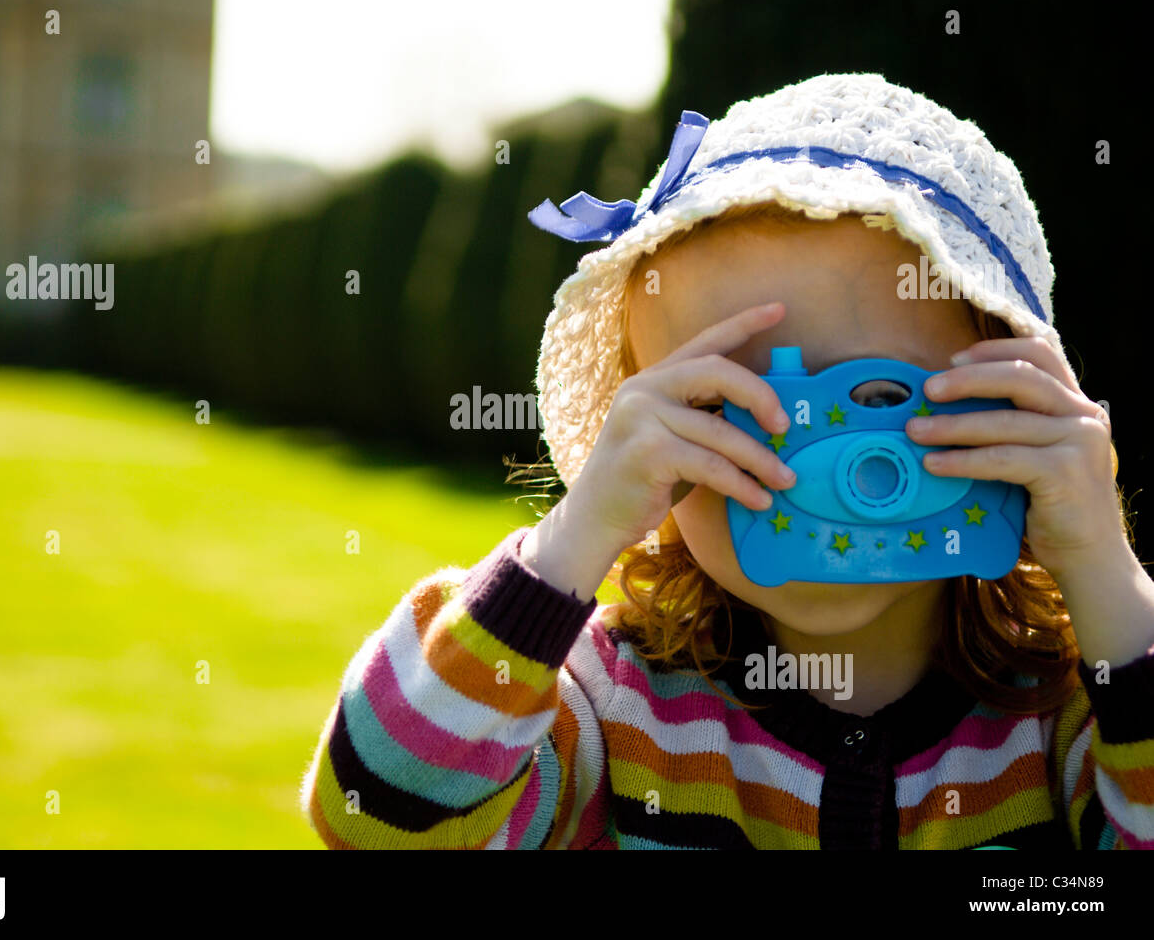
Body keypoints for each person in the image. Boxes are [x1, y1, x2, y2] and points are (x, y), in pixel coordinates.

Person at [298, 73, 1154, 849]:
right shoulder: (611, 709)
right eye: (718, 413)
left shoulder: (1077, 712)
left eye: (874, 404)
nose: (797, 475)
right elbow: (379, 819)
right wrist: (571, 541)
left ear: (1012, 402)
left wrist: (1102, 570)